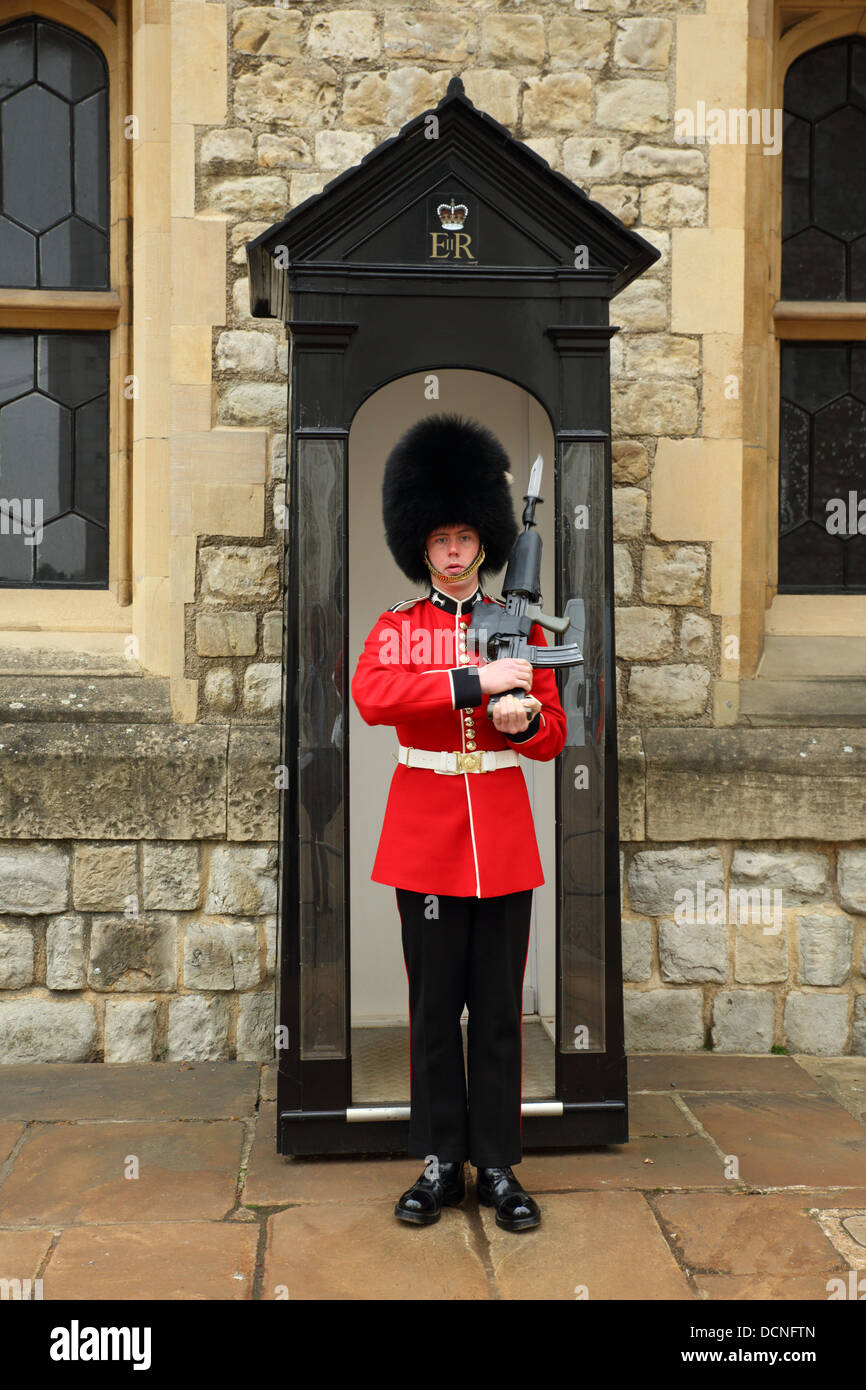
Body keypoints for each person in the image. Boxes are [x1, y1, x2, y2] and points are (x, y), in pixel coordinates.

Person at [350, 412, 567, 1232]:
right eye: (438, 537)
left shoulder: (518, 621)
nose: (450, 550)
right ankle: (440, 1161)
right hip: (426, 845)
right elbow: (376, 695)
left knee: (501, 1011)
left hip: (502, 845)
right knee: (434, 1009)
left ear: (484, 541)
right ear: (421, 545)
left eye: (464, 535)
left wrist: (524, 725)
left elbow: (552, 733)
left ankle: (499, 1165)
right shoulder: (399, 631)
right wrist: (473, 685)